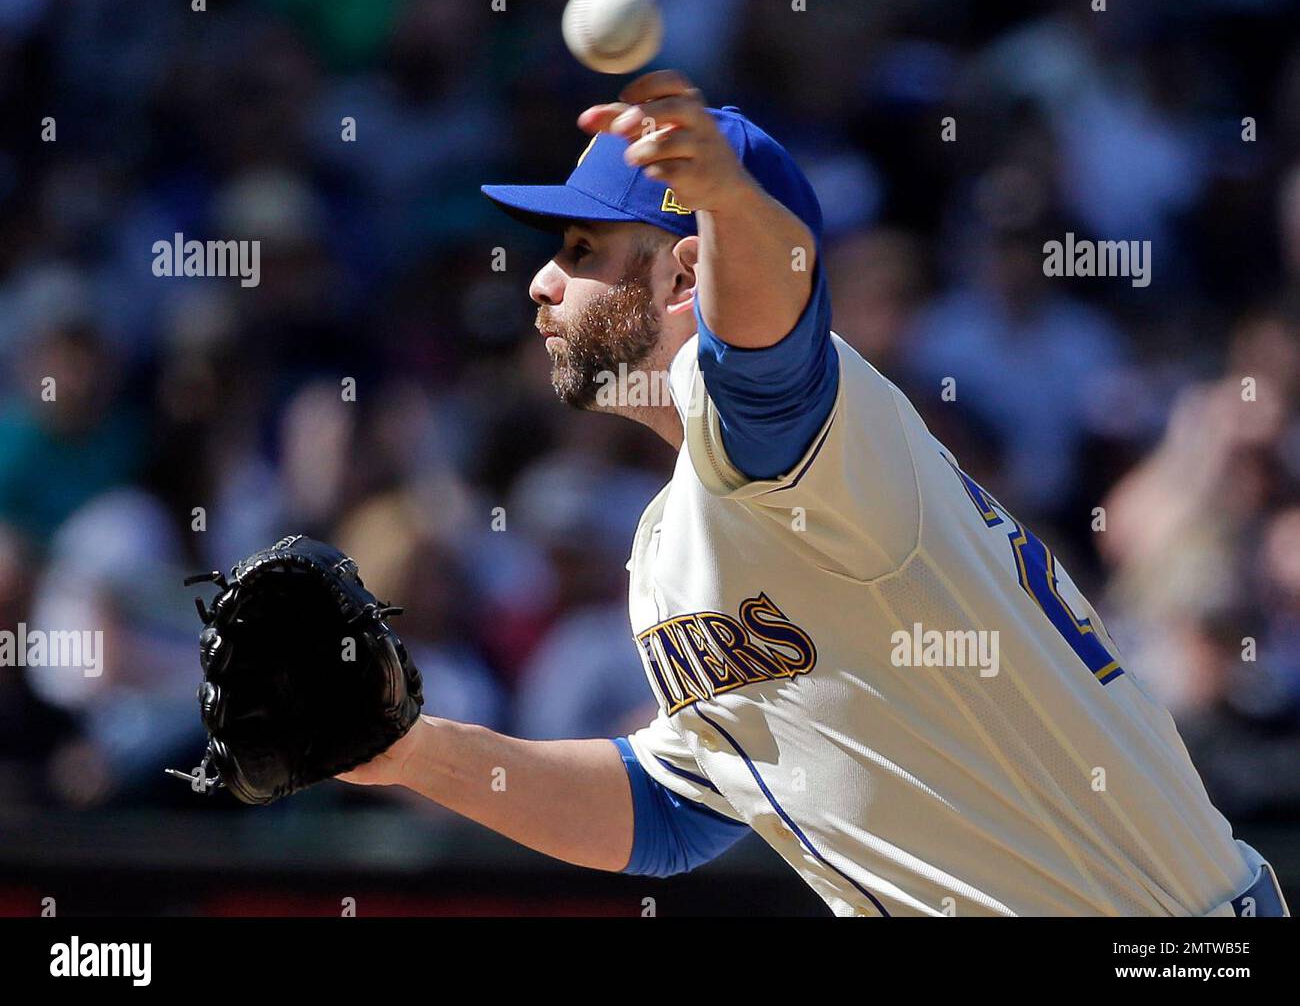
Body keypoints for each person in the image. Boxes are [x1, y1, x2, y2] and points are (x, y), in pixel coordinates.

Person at [341, 71, 1287, 917]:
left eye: (584, 248)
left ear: (684, 273)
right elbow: (669, 811)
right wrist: (415, 750)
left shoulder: (801, 431)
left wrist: (729, 204)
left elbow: (769, 355)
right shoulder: (674, 531)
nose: (543, 282)